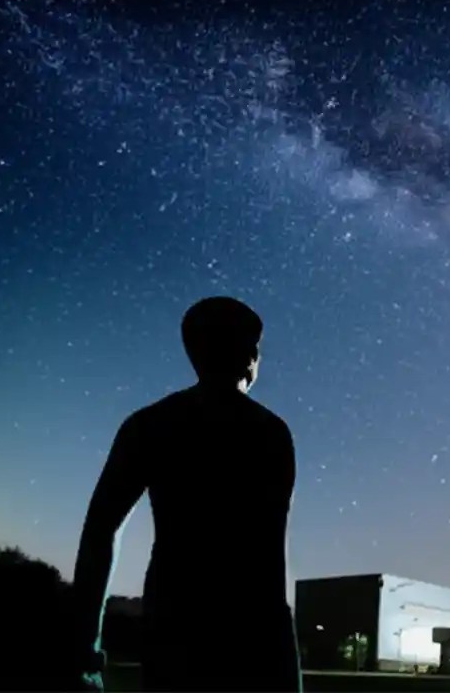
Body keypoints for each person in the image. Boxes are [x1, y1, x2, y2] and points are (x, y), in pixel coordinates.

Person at [72, 296, 301, 691]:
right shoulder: (270, 433)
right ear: (248, 356)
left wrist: (84, 645)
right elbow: (269, 556)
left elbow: (100, 530)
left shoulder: (149, 426)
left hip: (175, 623)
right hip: (254, 630)